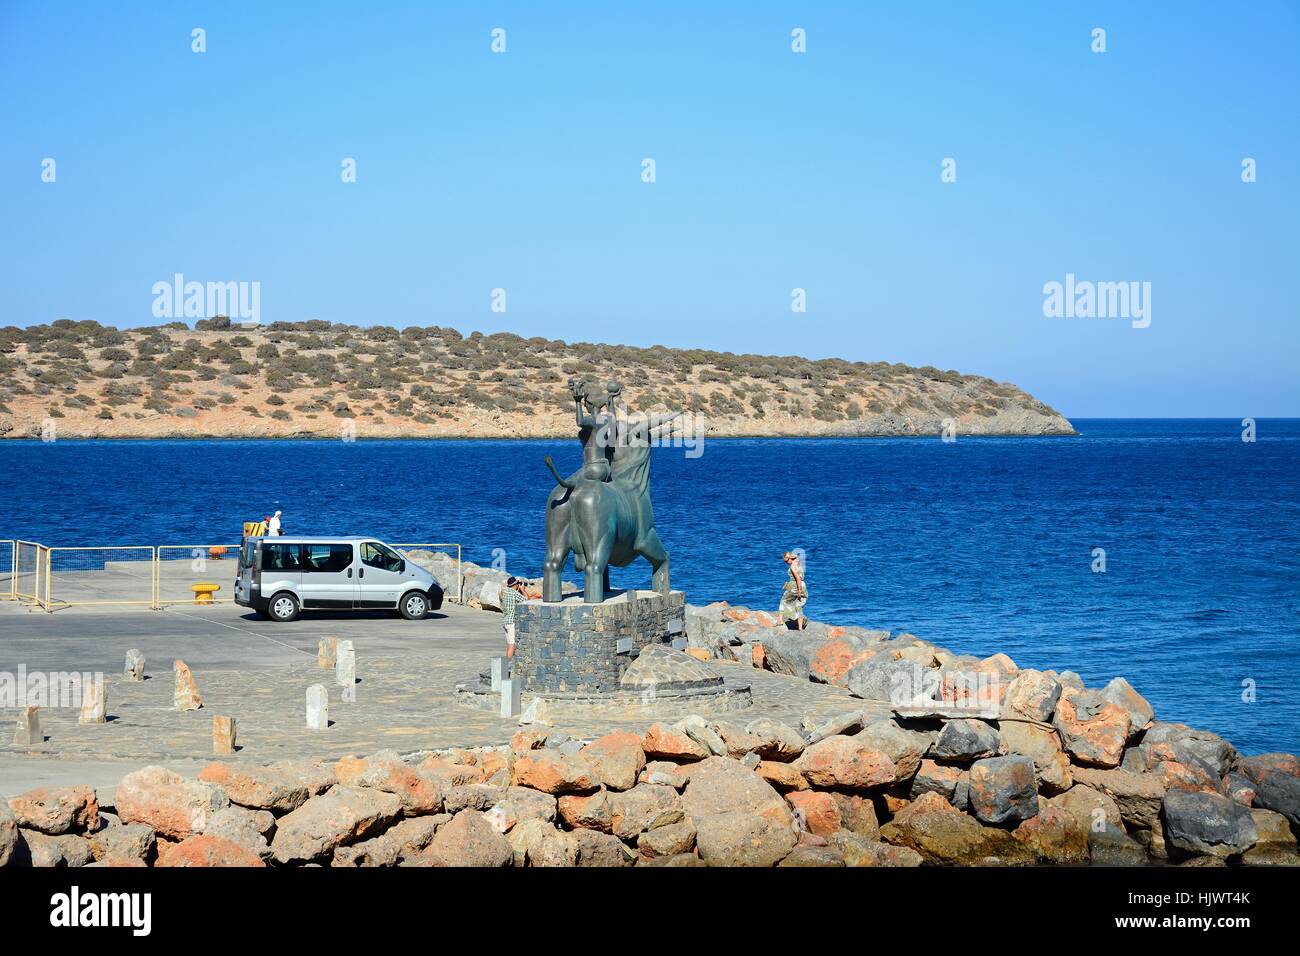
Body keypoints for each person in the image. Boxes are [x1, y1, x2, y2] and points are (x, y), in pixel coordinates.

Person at [500, 576, 529, 658]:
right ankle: (506, 665)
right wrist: (522, 590)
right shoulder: (514, 593)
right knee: (512, 644)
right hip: (511, 622)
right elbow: (528, 600)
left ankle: (505, 665)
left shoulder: (506, 591)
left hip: (505, 621)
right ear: (515, 584)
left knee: (509, 644)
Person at [779, 551, 807, 630]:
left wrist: (798, 590)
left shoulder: (792, 567)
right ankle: (800, 628)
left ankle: (780, 620)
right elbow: (799, 578)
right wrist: (788, 584)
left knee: (783, 601)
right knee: (799, 606)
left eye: (786, 561)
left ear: (789, 558)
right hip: (803, 585)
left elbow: (797, 579)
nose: (786, 563)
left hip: (796, 586)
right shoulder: (798, 562)